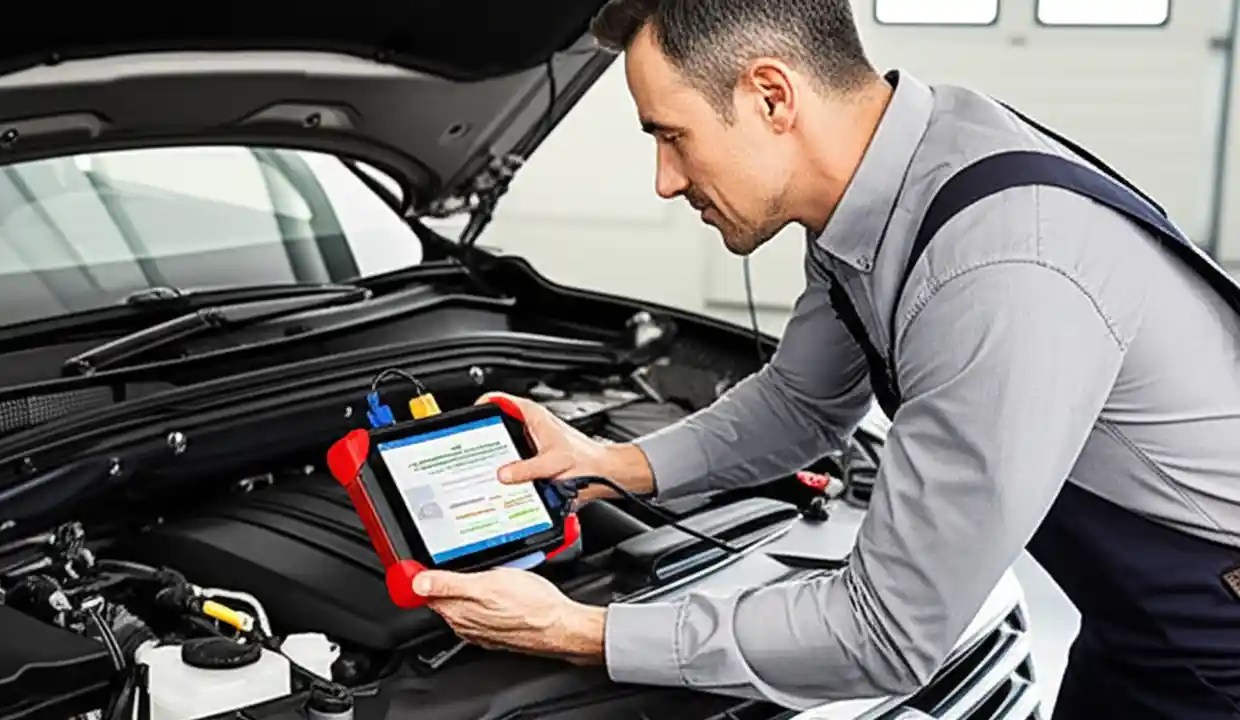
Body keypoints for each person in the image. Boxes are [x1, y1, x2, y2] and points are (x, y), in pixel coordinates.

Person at [408, 0, 1240, 717]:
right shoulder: (896, 168)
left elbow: (888, 632)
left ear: (772, 95)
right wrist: (613, 463)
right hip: (1144, 629)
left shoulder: (997, 264)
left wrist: (582, 631)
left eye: (672, 136)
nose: (665, 180)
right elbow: (803, 404)